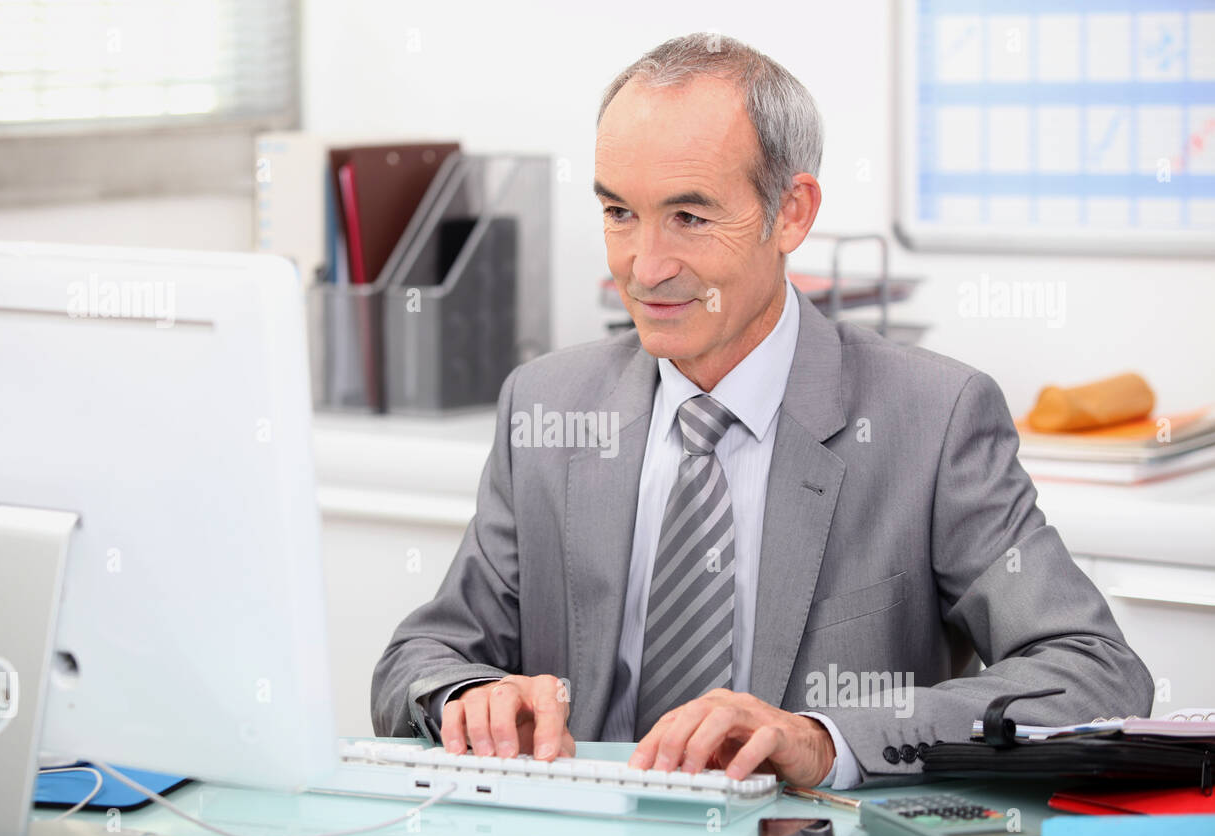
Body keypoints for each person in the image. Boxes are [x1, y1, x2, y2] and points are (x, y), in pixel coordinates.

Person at [370, 32, 1153, 788]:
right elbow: (423, 655)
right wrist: (467, 698)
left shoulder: (933, 418)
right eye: (618, 213)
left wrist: (827, 740)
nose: (644, 267)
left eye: (690, 216)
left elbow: (1093, 673)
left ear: (792, 214)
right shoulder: (546, 407)